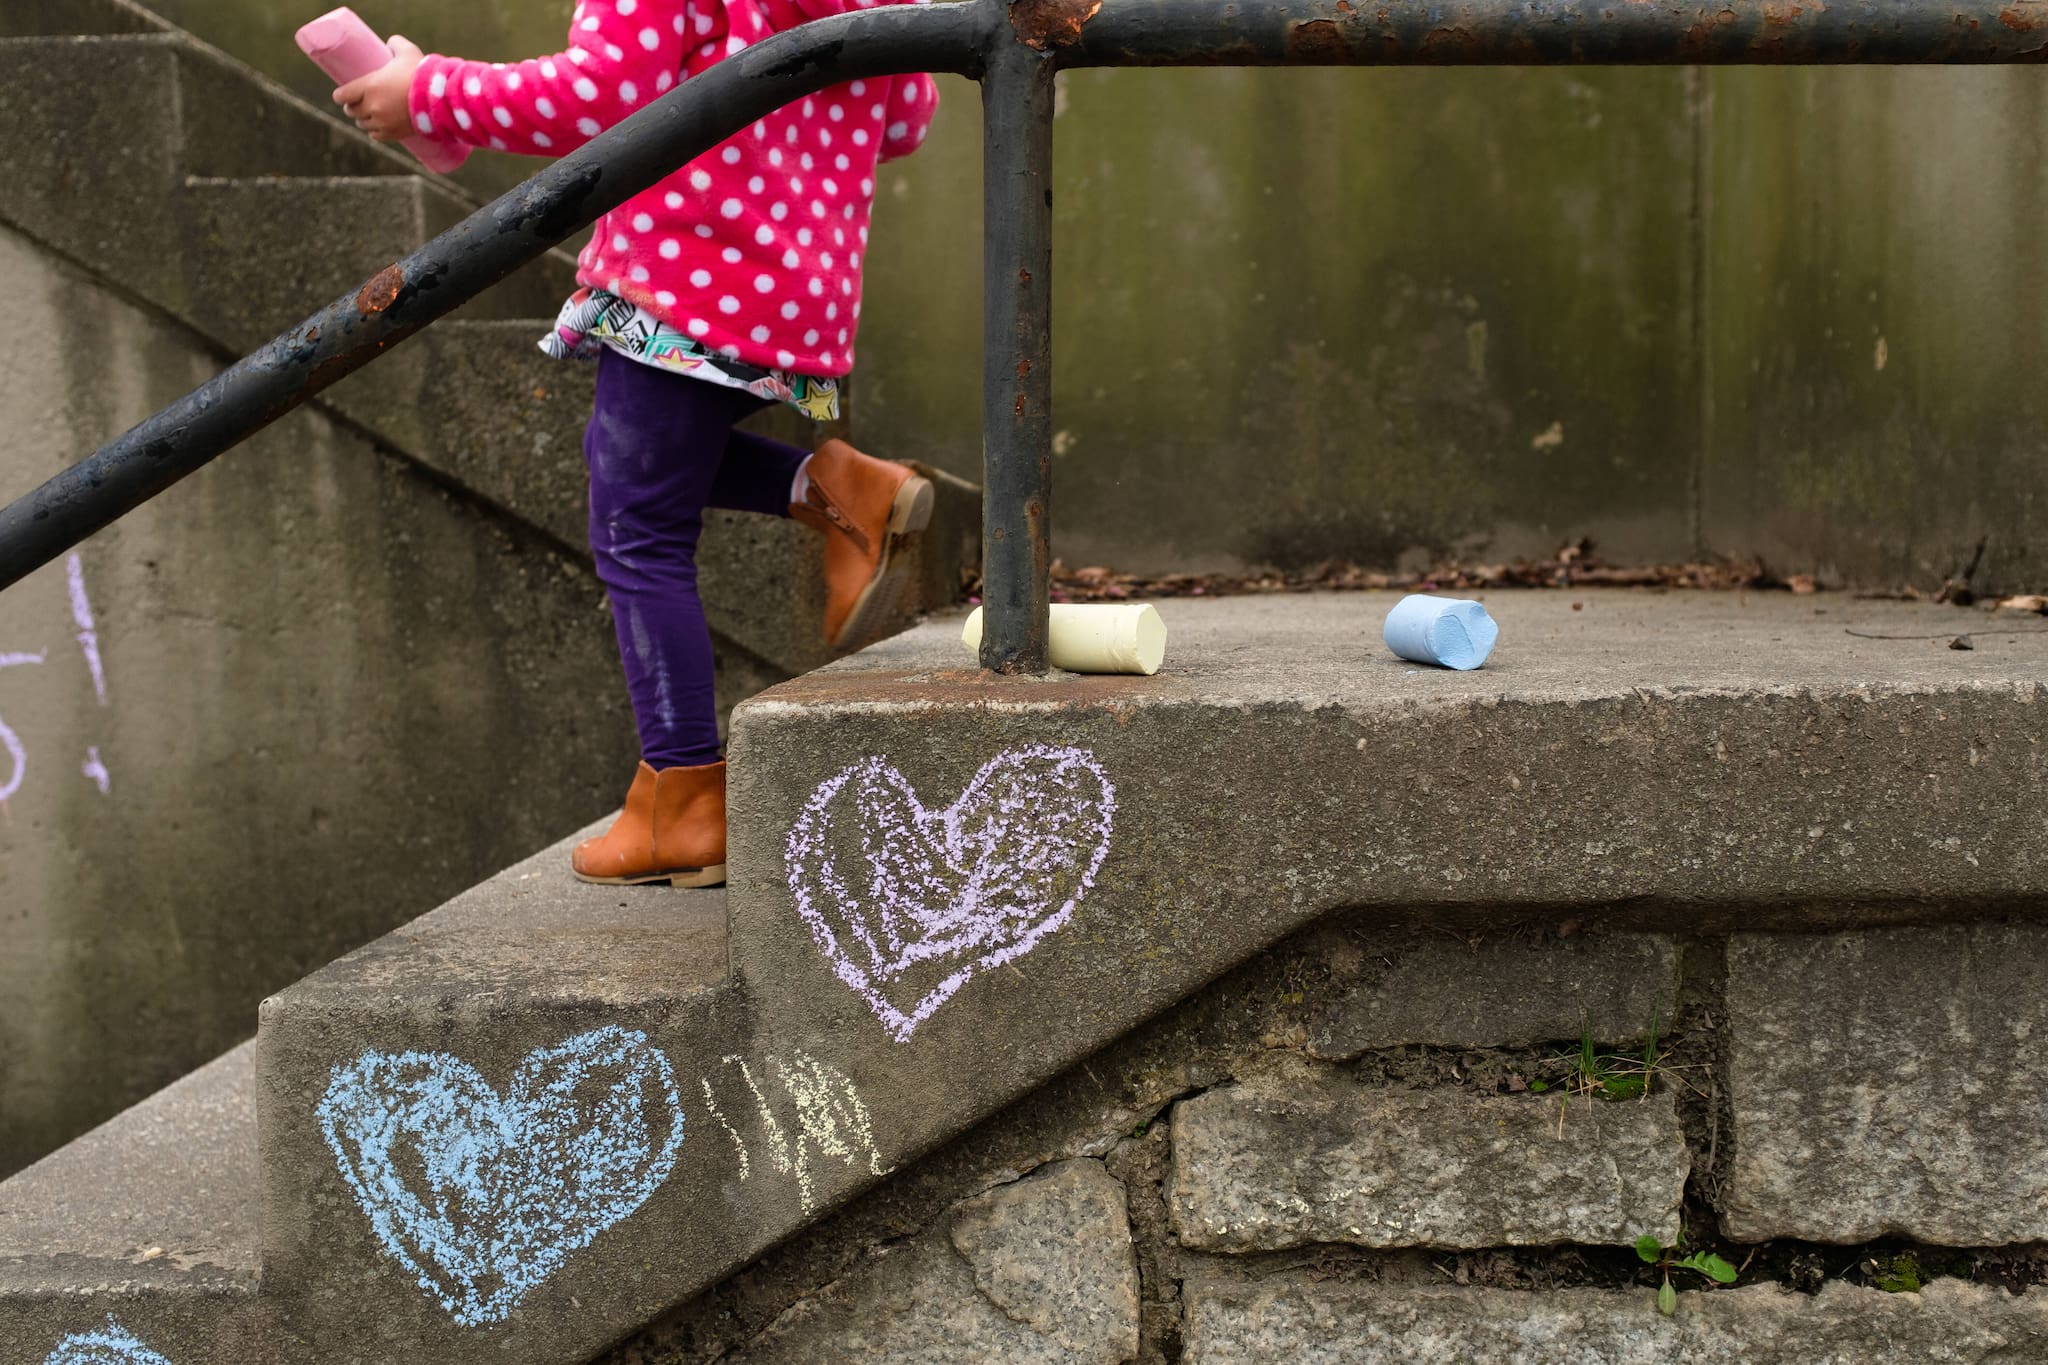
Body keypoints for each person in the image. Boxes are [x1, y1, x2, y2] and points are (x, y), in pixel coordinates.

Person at [333, 0, 939, 889]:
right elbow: (905, 117)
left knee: (637, 529)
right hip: (794, 280)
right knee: (635, 473)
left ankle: (683, 795)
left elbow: (598, 96)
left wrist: (428, 95)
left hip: (689, 274)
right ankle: (841, 488)